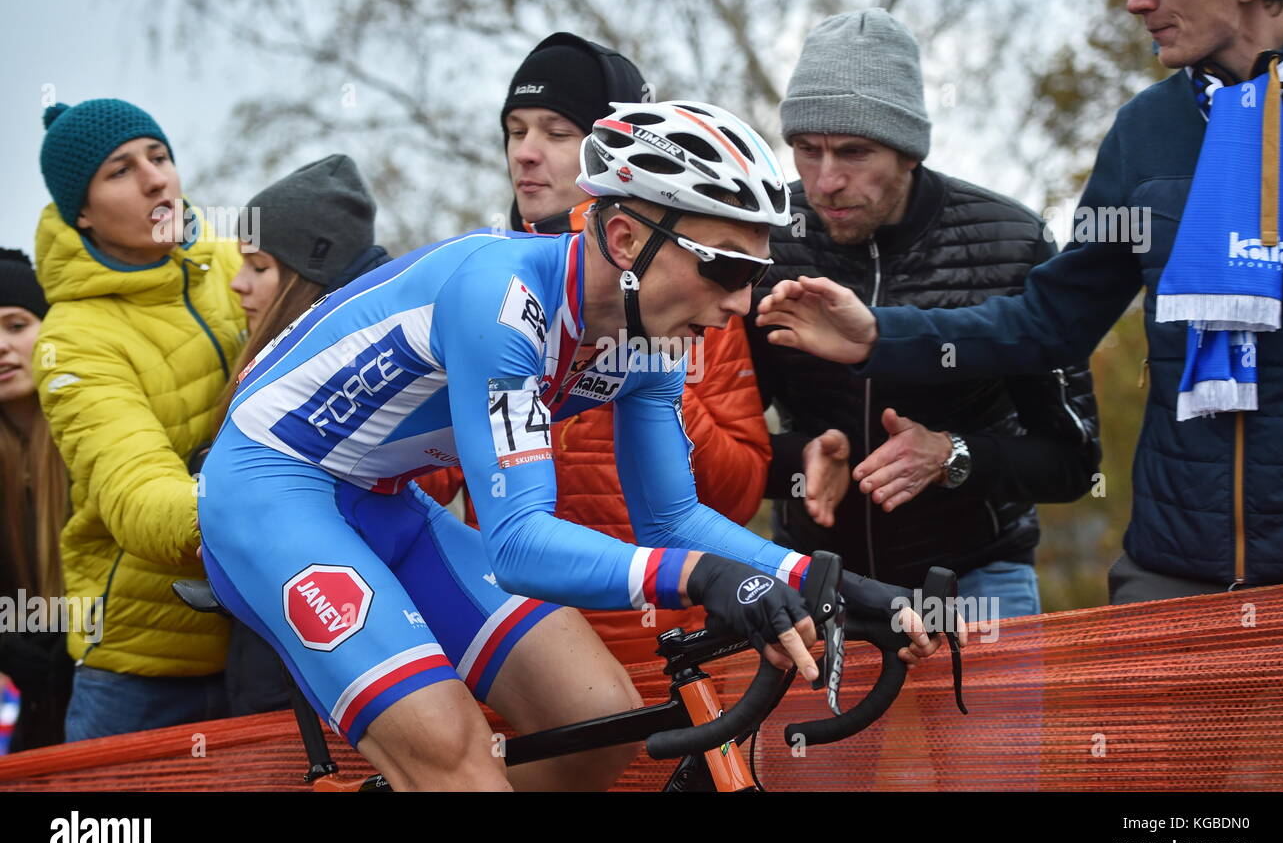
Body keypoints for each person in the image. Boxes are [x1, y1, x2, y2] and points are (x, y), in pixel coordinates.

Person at [198, 99, 950, 791]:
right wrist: (706, 579)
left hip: (386, 505)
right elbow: (517, 545)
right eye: (723, 266)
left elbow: (674, 523)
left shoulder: (648, 341)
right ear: (625, 238)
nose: (741, 304)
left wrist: (829, 583)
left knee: (595, 726)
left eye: (756, 274)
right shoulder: (505, 304)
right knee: (455, 754)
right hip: (271, 495)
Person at [755, 0, 1283, 603]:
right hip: (1176, 564)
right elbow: (1052, 321)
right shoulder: (1145, 130)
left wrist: (951, 457)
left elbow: (1068, 459)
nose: (1135, 0)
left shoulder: (1004, 230)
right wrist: (878, 337)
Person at [422, 33, 772, 663]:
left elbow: (738, 496)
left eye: (557, 133)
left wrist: (643, 355)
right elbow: (428, 472)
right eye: (515, 130)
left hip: (666, 633)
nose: (526, 154)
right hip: (528, 634)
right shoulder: (486, 295)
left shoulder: (704, 298)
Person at [746, 10, 1101, 615]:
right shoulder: (767, 239)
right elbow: (707, 437)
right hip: (813, 577)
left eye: (854, 152)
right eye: (806, 150)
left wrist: (953, 457)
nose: (826, 180)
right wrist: (794, 461)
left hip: (978, 580)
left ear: (909, 152)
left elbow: (1074, 464)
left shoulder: (1012, 242)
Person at [33, 99, 245, 739]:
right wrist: (263, 514)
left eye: (159, 156)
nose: (156, 179)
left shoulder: (232, 262)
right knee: (106, 840)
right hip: (141, 666)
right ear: (82, 213)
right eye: (120, 170)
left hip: (268, 639)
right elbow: (134, 491)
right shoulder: (71, 337)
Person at [217, 154, 390, 716]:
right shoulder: (268, 362)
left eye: (259, 267)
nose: (238, 284)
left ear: (307, 277)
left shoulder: (358, 380)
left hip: (312, 665)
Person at [0, 248, 73, 751]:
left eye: (15, 325)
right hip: (31, 700)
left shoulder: (88, 431)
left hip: (103, 677)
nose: (1, 347)